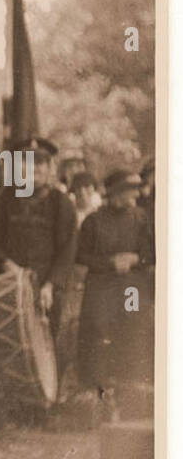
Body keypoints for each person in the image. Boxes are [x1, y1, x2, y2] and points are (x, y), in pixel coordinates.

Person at [0, 135, 78, 343]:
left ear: (49, 168)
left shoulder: (60, 203)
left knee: (49, 347)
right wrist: (6, 264)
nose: (34, 169)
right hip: (11, 286)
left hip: (48, 289)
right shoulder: (5, 200)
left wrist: (51, 285)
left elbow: (67, 249)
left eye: (40, 163)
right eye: (27, 163)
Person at [75, 169, 154, 417]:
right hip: (102, 287)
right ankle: (101, 399)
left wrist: (135, 259)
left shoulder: (142, 219)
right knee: (100, 331)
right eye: (127, 190)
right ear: (114, 193)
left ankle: (134, 399)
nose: (133, 195)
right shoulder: (93, 222)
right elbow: (81, 256)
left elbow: (152, 253)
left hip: (132, 287)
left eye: (134, 190)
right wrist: (110, 262)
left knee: (133, 330)